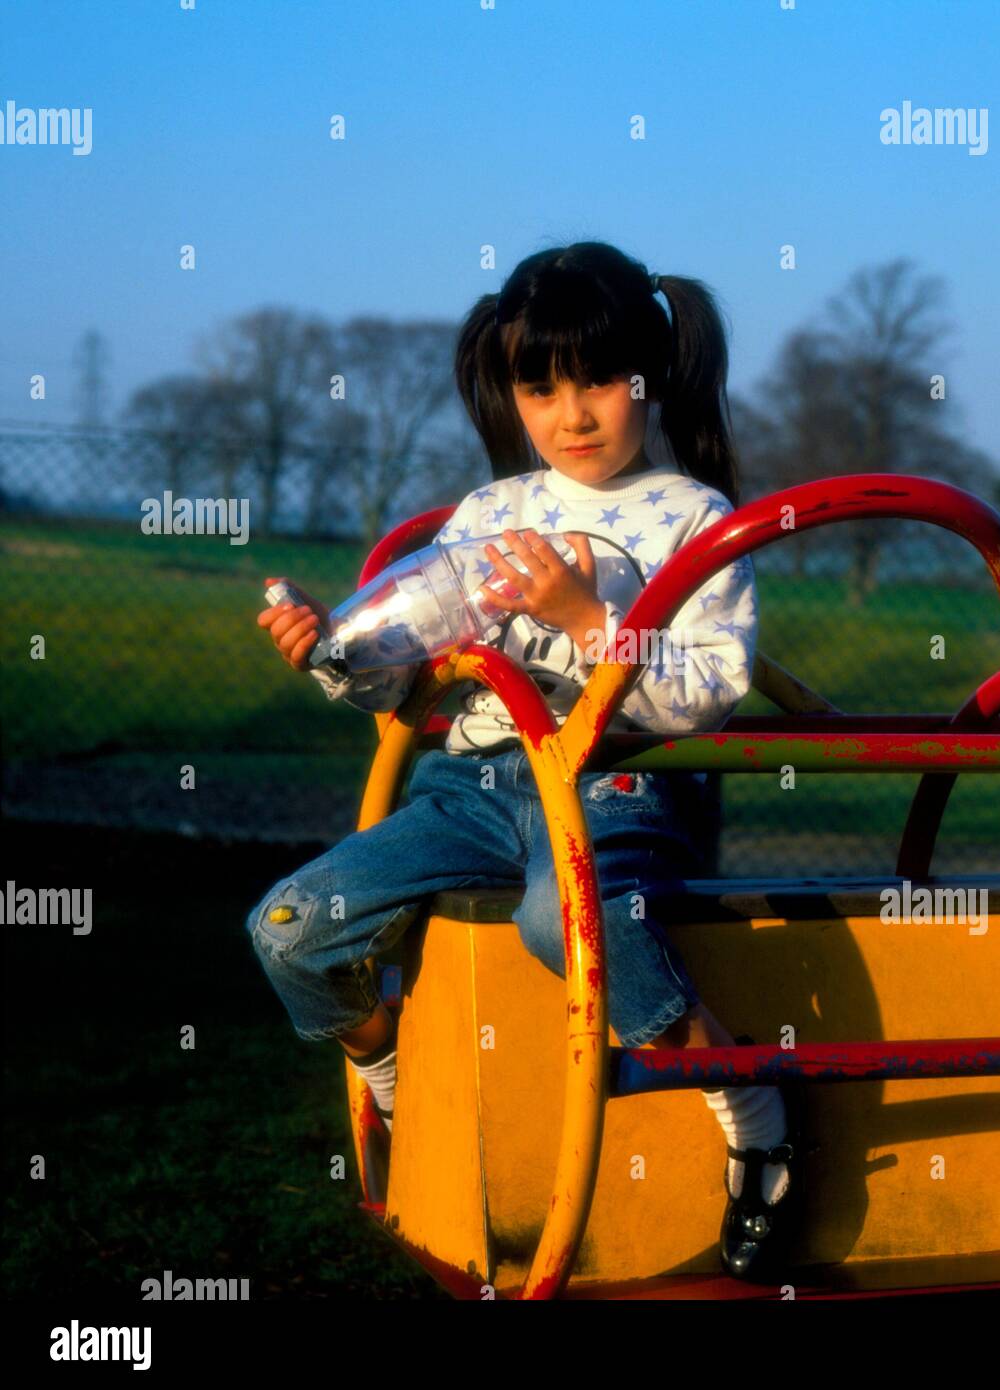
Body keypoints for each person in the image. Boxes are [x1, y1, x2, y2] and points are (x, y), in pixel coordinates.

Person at [247, 241, 802, 1281]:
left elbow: (705, 691)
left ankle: (753, 1106)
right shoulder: (490, 514)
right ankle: (399, 1080)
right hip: (473, 783)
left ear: (652, 377)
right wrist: (330, 650)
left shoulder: (693, 521)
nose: (571, 414)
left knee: (563, 918)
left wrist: (585, 616)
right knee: (285, 931)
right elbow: (405, 680)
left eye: (597, 380)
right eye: (539, 387)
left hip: (611, 782)